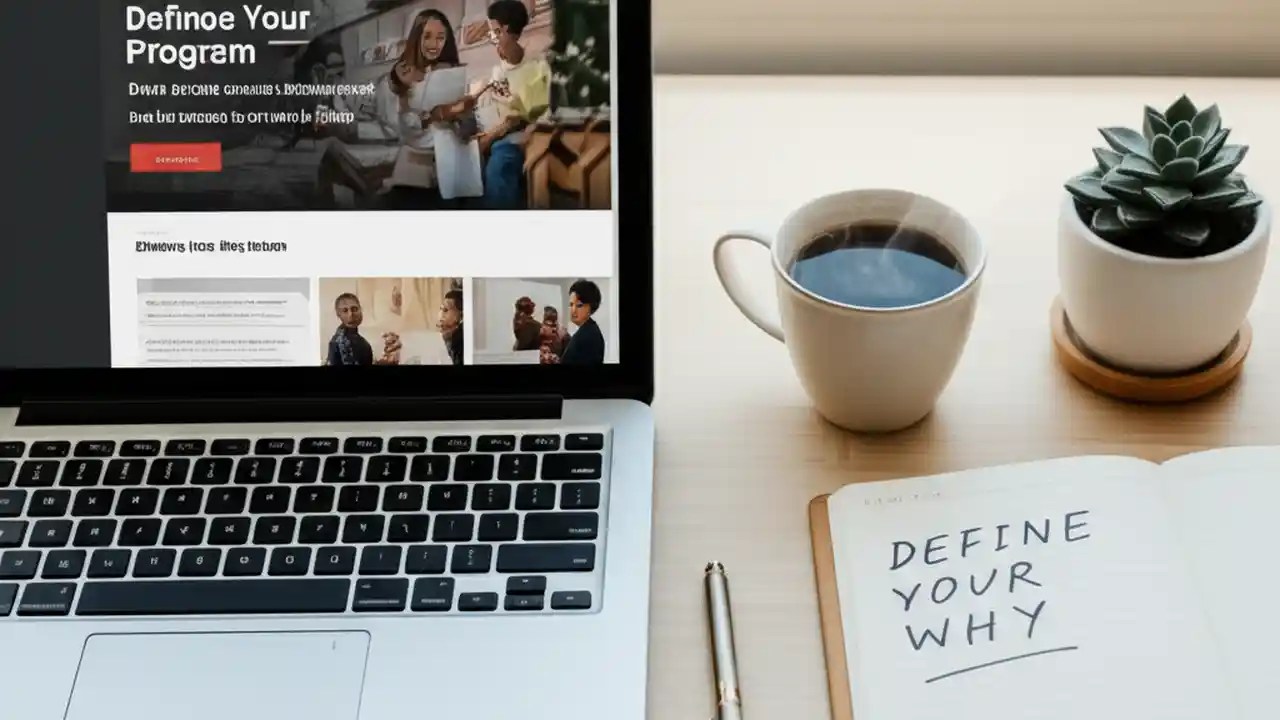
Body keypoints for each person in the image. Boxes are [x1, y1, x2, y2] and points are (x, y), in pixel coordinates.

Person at [382, 10, 474, 209]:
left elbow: (468, 127)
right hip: (414, 167)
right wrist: (436, 114)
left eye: (441, 38)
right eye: (428, 37)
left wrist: (462, 119)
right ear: (417, 38)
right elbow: (402, 127)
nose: (434, 44)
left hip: (448, 163)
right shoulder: (403, 74)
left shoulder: (453, 73)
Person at [473, 0, 551, 209]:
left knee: (498, 164)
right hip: (499, 132)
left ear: (506, 31)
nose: (492, 38)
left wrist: (494, 135)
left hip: (521, 137)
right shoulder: (499, 71)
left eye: (494, 32)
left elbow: (533, 113)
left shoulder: (538, 66)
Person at [325, 293, 401, 366]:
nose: (351, 314)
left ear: (360, 309)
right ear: (339, 314)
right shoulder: (341, 341)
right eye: (345, 311)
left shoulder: (355, 337)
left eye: (354, 309)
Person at [560, 279, 605, 365]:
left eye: (579, 305)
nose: (573, 310)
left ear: (591, 307)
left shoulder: (589, 335)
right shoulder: (587, 330)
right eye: (571, 304)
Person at [438, 288, 465, 366]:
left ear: (461, 315)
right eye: (440, 309)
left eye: (445, 310)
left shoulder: (462, 343)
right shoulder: (445, 337)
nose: (440, 315)